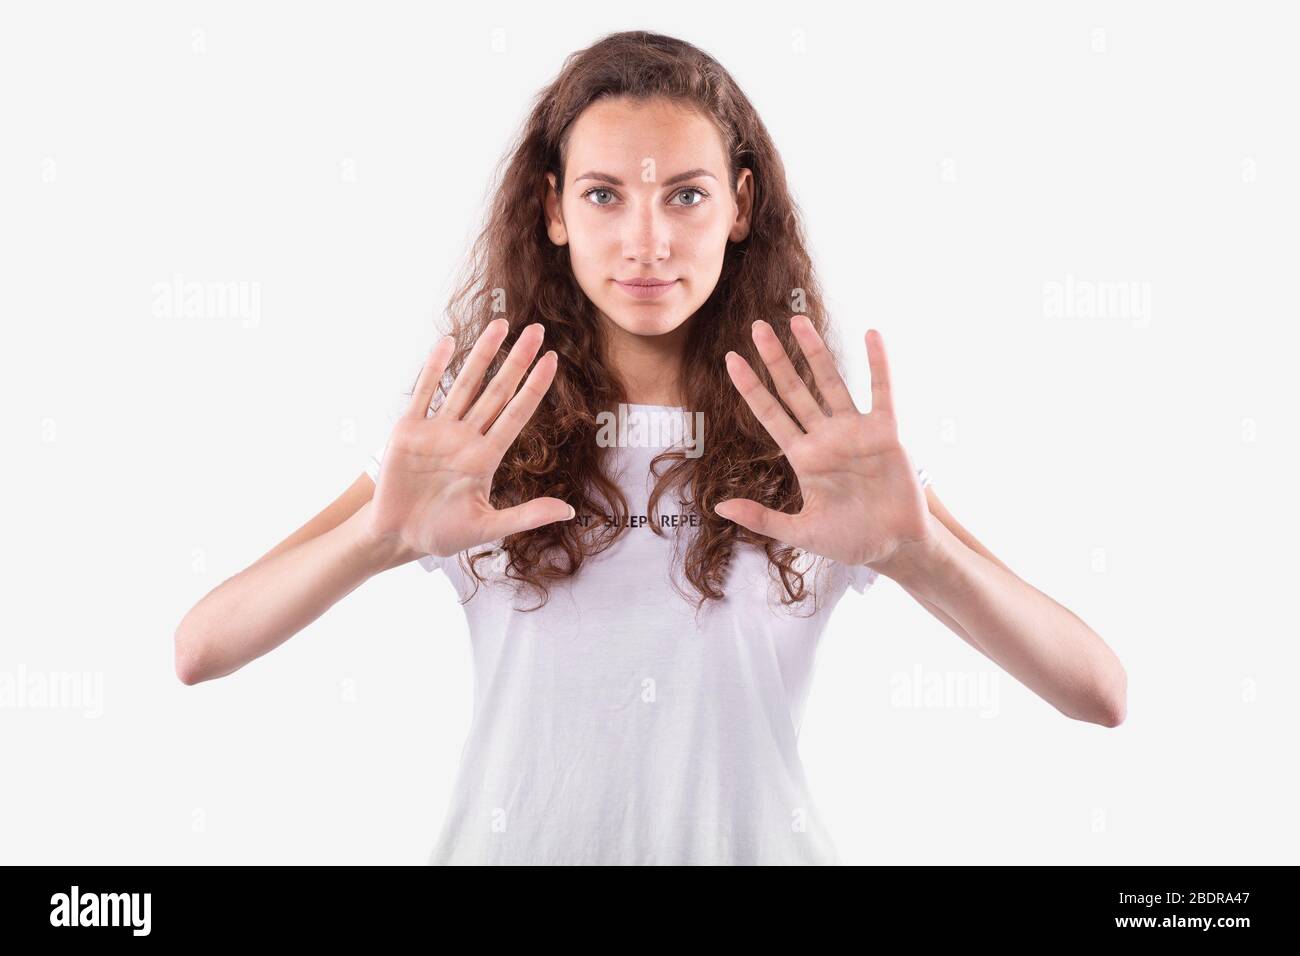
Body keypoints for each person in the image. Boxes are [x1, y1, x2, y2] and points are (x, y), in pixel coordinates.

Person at [174, 30, 1126, 865]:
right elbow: (201, 648)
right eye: (602, 196)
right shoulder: (477, 442)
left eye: (685, 195)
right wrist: (379, 542)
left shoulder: (819, 452)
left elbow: (1096, 689)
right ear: (552, 210)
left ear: (741, 204)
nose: (646, 242)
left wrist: (916, 556)